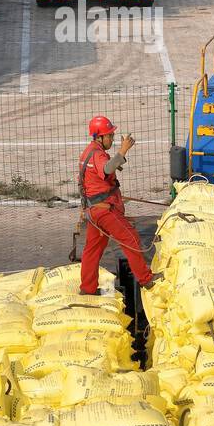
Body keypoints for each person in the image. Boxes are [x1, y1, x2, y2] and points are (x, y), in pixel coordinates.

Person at [77, 115, 155, 295]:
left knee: (93, 249)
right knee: (131, 239)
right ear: (98, 137)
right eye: (109, 136)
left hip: (93, 210)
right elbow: (106, 169)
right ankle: (146, 279)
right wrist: (123, 151)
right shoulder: (97, 154)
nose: (111, 139)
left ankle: (87, 289)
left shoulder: (89, 151)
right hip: (104, 210)